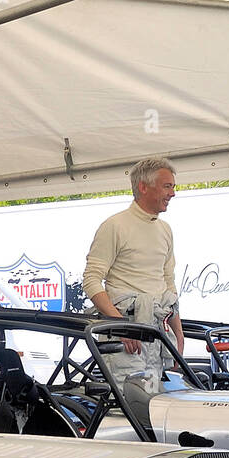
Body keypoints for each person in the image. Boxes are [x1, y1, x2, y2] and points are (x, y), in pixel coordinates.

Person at [82, 157, 184, 399]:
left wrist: (178, 333)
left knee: (152, 405)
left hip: (157, 334)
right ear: (143, 187)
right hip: (125, 338)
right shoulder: (114, 226)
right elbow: (91, 280)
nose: (173, 193)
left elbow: (168, 283)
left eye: (173, 186)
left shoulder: (165, 229)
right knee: (128, 405)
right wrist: (121, 327)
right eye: (167, 186)